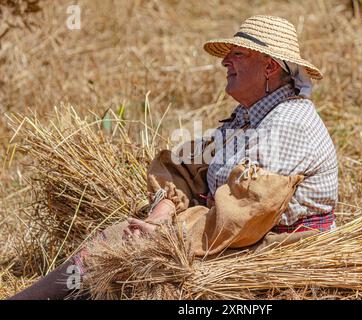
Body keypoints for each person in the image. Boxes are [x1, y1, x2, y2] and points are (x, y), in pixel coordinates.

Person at [9, 15, 337, 300]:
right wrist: (164, 210)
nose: (225, 62)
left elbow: (246, 215)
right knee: (123, 241)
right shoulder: (251, 114)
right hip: (226, 235)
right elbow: (187, 162)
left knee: (125, 250)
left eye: (237, 54)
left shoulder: (288, 125)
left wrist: (171, 235)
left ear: (269, 66)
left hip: (272, 248)